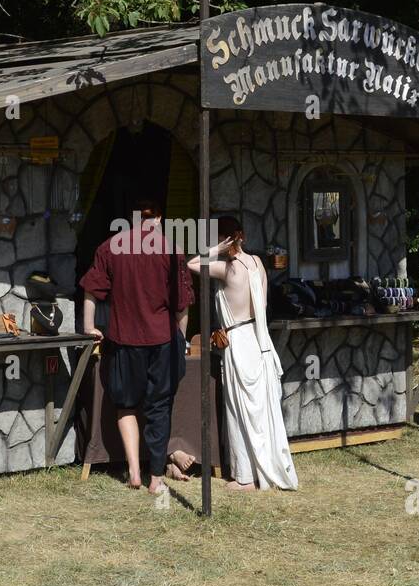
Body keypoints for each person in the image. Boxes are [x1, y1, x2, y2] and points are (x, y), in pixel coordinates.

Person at [80, 200, 194, 493]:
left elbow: (92, 289)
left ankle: (133, 471)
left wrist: (88, 326)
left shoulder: (111, 247)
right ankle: (156, 478)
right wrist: (181, 339)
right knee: (158, 409)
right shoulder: (171, 249)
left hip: (123, 339)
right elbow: (182, 304)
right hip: (161, 339)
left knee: (125, 405)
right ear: (157, 219)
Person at [188, 217, 298, 491]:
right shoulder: (257, 263)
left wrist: (214, 251)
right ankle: (258, 468)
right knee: (259, 408)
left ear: (225, 240)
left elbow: (190, 264)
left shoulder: (228, 269)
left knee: (238, 408)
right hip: (257, 337)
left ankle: (245, 476)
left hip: (239, 339)